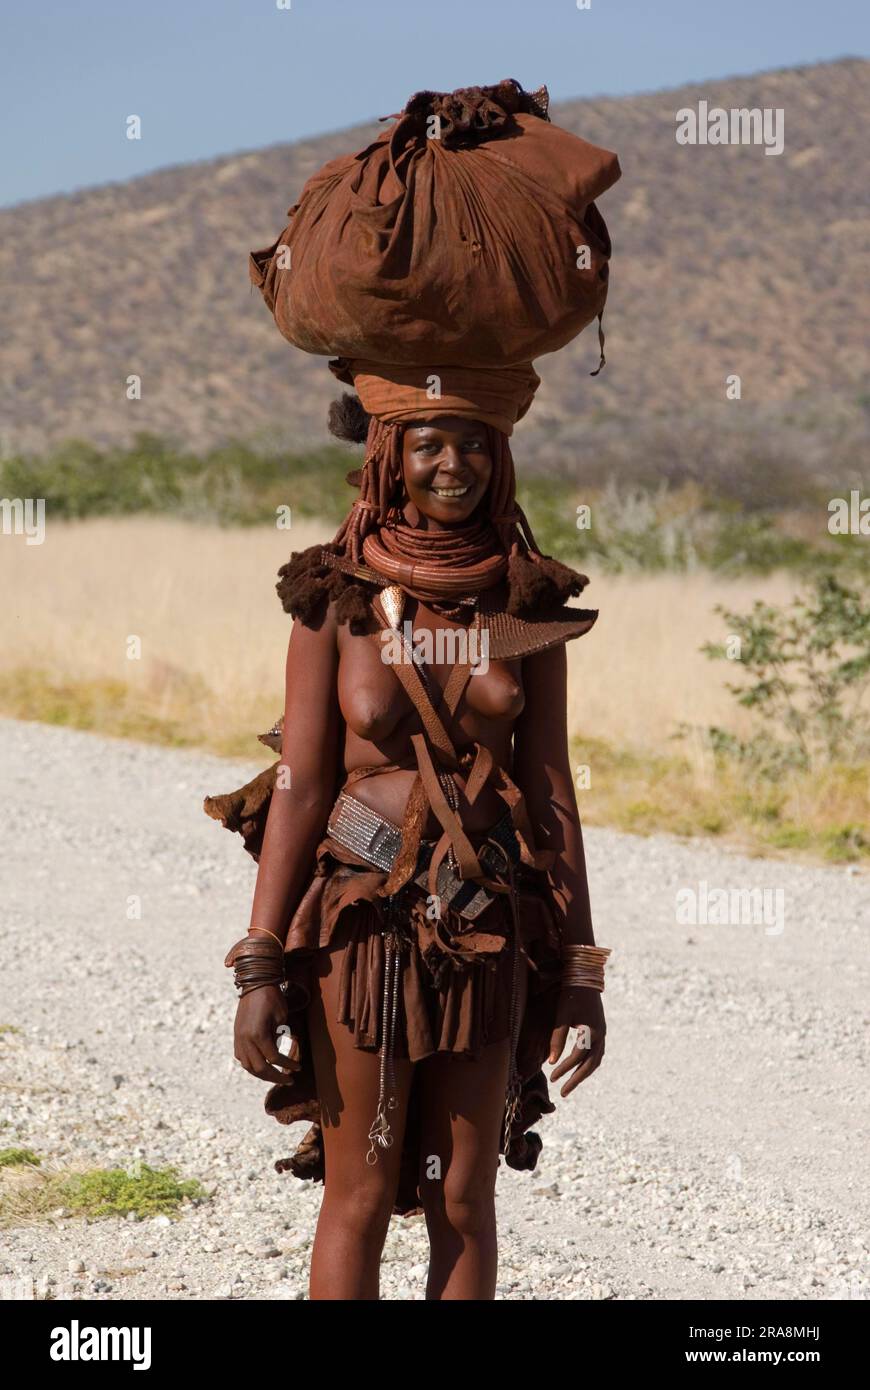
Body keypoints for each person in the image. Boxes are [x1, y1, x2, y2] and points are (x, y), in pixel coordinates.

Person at [206, 364, 612, 1301]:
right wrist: (262, 962)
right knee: (362, 1187)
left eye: (475, 442)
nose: (454, 464)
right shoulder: (334, 596)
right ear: (389, 454)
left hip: (486, 925)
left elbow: (552, 793)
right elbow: (304, 785)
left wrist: (578, 973)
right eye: (429, 443)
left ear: (501, 455)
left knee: (463, 1197)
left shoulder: (526, 605)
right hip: (359, 930)